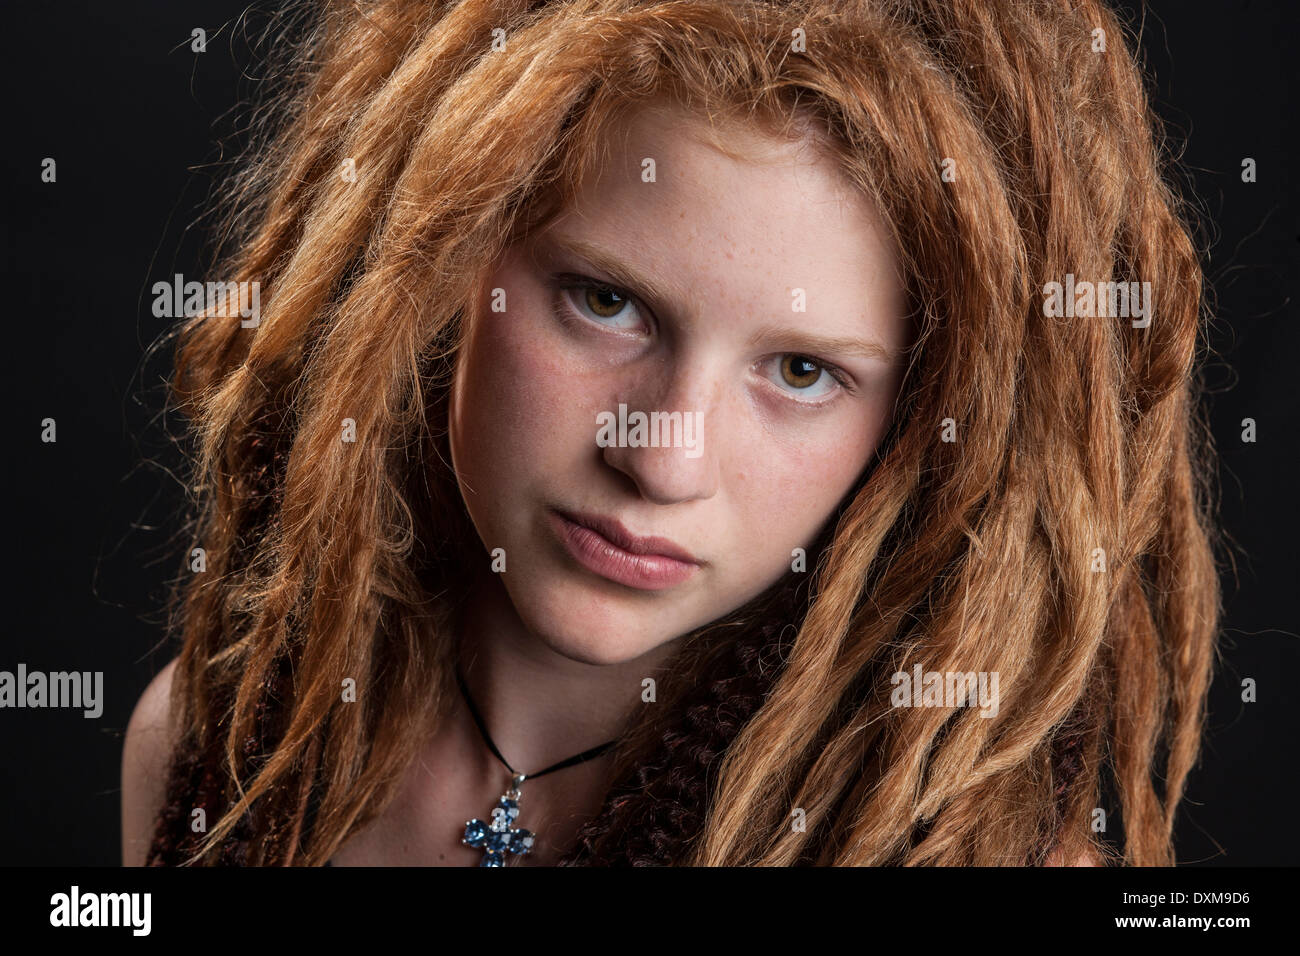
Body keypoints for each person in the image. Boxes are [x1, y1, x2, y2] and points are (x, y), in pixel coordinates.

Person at [121, 0, 1219, 867]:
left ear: (919, 426)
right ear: (447, 260)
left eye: (801, 371)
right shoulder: (218, 746)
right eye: (606, 302)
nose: (661, 458)